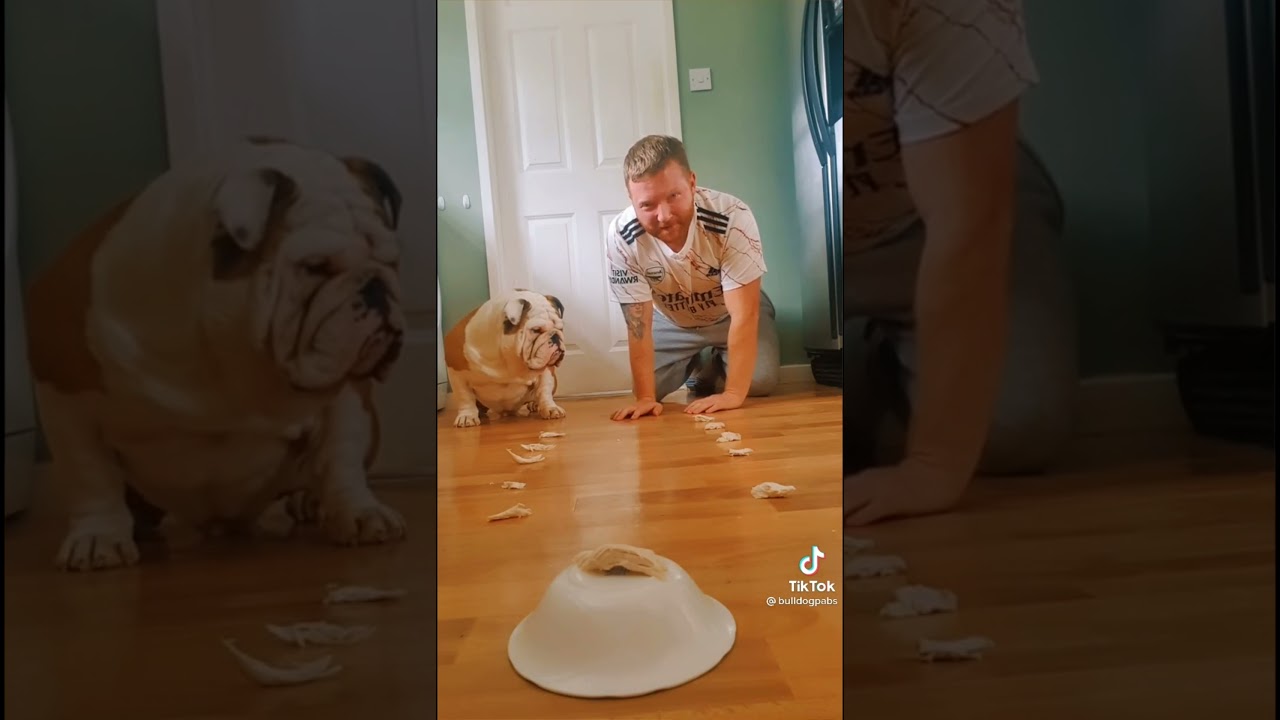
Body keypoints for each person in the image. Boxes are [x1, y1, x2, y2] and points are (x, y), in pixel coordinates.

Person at [842, 0, 1078, 526]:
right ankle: (867, 367)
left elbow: (968, 223)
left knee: (1015, 428)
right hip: (825, 251)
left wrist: (934, 466)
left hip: (939, 212)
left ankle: (889, 372)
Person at [605, 135, 781, 421]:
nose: (663, 216)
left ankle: (716, 361)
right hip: (672, 320)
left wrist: (733, 394)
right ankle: (700, 361)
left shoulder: (732, 216)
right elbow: (638, 326)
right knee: (649, 388)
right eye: (647, 205)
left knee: (759, 382)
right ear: (631, 200)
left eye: (674, 196)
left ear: (692, 183)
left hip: (731, 313)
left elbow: (744, 316)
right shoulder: (621, 235)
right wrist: (646, 398)